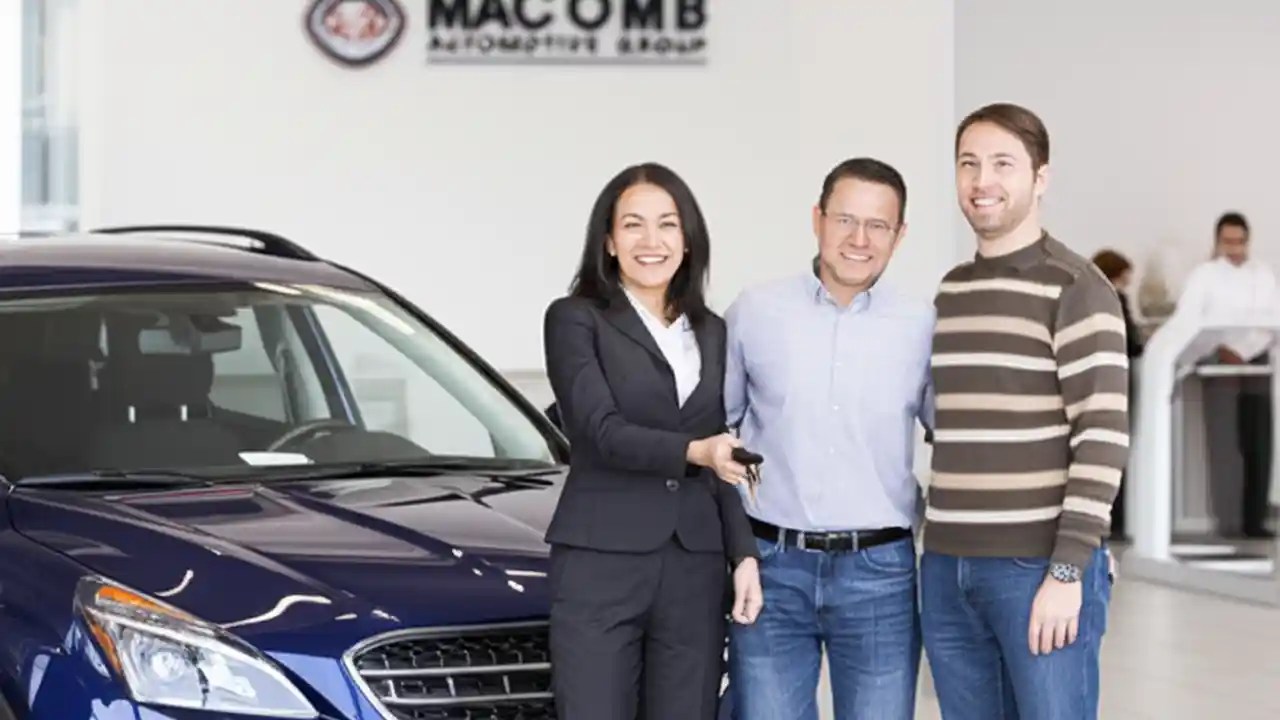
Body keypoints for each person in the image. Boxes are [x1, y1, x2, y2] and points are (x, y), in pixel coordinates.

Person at [922, 103, 1128, 720]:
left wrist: (1069, 571)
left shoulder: (1076, 286)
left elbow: (1102, 435)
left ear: (1040, 177)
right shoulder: (951, 291)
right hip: (947, 567)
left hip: (1035, 566)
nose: (982, 180)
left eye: (1002, 164)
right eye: (969, 164)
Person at [542, 162, 764, 720]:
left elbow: (723, 451)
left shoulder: (710, 331)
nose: (651, 240)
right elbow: (598, 432)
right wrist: (695, 451)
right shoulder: (575, 319)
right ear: (609, 241)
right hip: (601, 562)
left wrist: (743, 554)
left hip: (694, 565)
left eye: (667, 225)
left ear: (687, 241)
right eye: (633, 225)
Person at [722, 157, 934, 720]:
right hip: (770, 567)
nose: (859, 239)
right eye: (844, 220)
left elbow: (960, 441)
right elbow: (713, 435)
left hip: (880, 576)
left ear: (900, 234)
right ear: (817, 219)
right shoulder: (756, 311)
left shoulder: (922, 326)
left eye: (878, 226)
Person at [1174, 212, 1277, 538]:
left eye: (1240, 241)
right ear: (1218, 241)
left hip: (1258, 359)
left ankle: (1255, 521)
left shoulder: (1262, 274)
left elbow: (1271, 315)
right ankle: (1229, 523)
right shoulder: (1204, 275)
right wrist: (1225, 346)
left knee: (1259, 443)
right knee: (1225, 444)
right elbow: (1192, 318)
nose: (1234, 248)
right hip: (1218, 358)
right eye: (1228, 241)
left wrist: (1249, 346)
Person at [1092, 249, 1144, 540]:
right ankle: (1118, 521)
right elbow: (1133, 344)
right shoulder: (1116, 300)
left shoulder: (1084, 298)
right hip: (1118, 383)